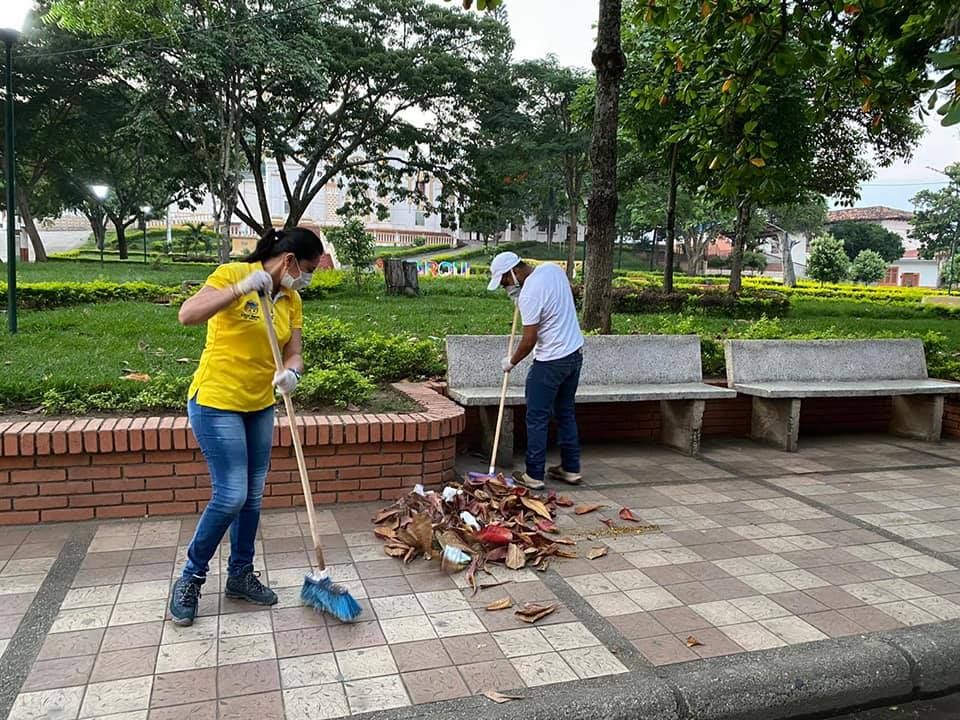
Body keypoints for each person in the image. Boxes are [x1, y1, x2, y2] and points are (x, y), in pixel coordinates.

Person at [169, 226, 325, 626]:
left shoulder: (291, 298)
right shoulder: (230, 275)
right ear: (289, 260)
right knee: (231, 494)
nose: (307, 277)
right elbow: (187, 315)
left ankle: (240, 574)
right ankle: (191, 576)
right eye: (306, 268)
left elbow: (295, 352)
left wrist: (292, 374)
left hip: (260, 405)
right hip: (217, 401)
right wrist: (241, 288)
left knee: (252, 495)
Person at [487, 251, 584, 490]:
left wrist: (511, 361)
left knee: (537, 417)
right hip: (574, 355)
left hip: (550, 361)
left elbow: (530, 339)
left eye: (505, 282)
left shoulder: (529, 295)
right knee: (565, 412)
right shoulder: (552, 269)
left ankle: (534, 474)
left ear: (515, 271)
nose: (506, 287)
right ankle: (571, 469)